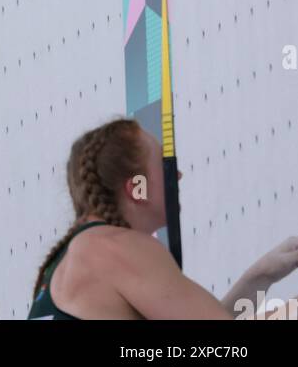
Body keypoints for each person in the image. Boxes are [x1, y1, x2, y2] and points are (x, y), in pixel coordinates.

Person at [29, 117, 298, 319]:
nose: (178, 175)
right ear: (136, 188)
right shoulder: (117, 249)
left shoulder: (82, 252)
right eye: (166, 165)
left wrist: (260, 278)